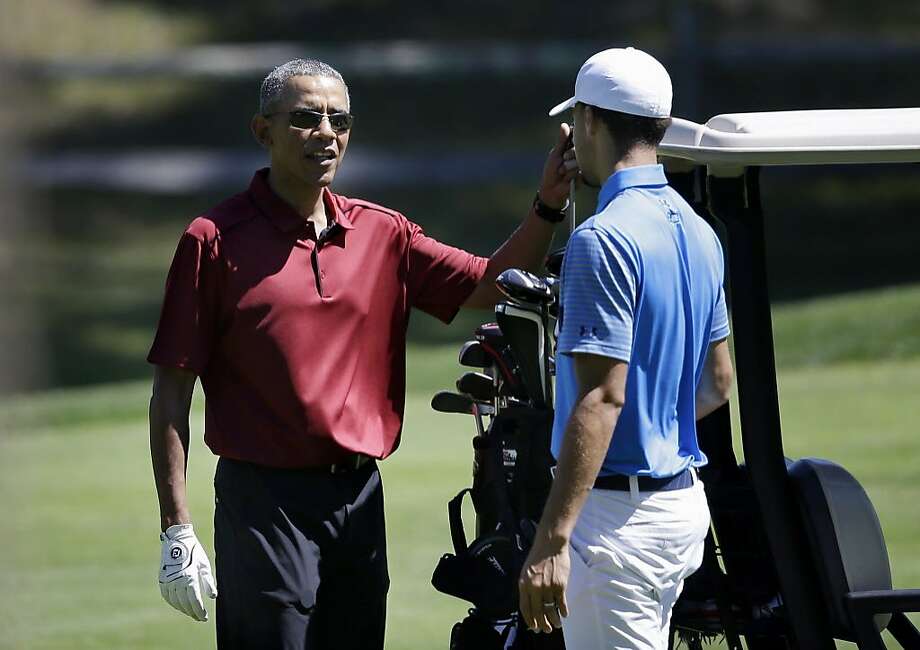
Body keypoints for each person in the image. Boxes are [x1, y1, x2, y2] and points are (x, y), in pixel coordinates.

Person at [148, 58, 577, 649]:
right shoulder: (213, 240)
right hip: (264, 505)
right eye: (305, 117)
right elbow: (172, 389)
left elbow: (489, 284)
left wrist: (547, 207)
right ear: (262, 131)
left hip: (359, 497)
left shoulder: (384, 233)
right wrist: (177, 527)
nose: (326, 132)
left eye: (339, 119)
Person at [517, 47, 735, 650]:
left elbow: (600, 401)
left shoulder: (601, 239)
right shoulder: (699, 229)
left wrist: (552, 539)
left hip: (617, 524)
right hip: (681, 508)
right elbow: (717, 383)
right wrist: (654, 425)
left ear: (589, 121)